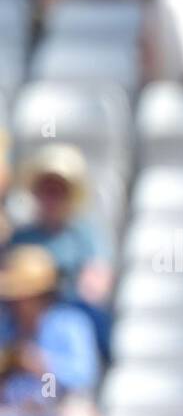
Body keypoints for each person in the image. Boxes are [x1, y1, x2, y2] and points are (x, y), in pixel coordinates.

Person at [8, 144, 113, 358]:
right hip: (22, 320)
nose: (51, 197)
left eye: (57, 190)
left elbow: (96, 286)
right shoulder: (21, 237)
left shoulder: (85, 235)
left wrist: (50, 295)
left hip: (69, 314)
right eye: (46, 189)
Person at [0, 246, 100, 416]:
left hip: (61, 413)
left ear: (42, 295)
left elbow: (83, 375)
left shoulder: (70, 324)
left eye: (22, 296)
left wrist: (41, 364)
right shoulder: (6, 328)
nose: (14, 304)